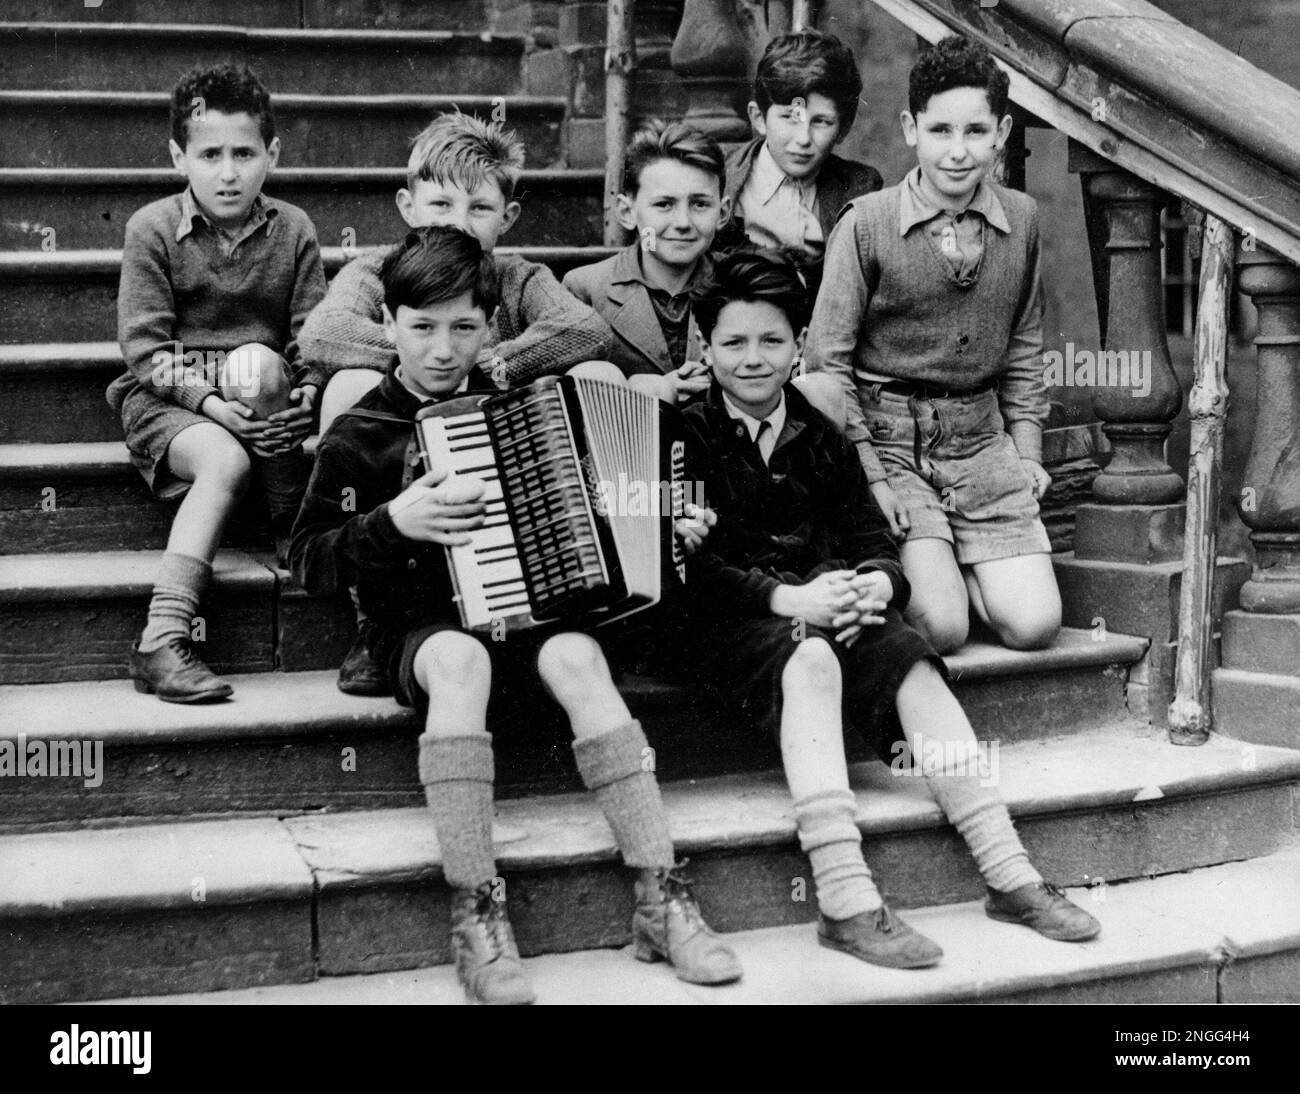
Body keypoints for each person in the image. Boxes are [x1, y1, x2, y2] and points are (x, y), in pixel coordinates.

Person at [290, 225, 741, 1004]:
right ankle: (476, 911)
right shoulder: (359, 432)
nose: (441, 348)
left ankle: (661, 894)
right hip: (424, 631)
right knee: (460, 660)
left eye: (464, 327)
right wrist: (391, 524)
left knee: (579, 657)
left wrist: (670, 523)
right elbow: (309, 559)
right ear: (389, 323)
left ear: (492, 328)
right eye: (422, 327)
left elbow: (605, 505)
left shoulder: (528, 410)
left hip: (529, 621)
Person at [675, 248, 1099, 969]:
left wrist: (877, 582)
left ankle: (1008, 872)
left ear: (800, 343)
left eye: (772, 341)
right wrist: (785, 597)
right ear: (706, 347)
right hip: (735, 622)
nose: (753, 360)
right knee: (810, 656)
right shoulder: (684, 434)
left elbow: (873, 536)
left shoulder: (819, 425)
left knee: (909, 658)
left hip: (826, 599)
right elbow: (696, 569)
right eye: (733, 343)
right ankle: (844, 899)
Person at [297, 110, 616, 695]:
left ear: (508, 216)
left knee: (598, 374)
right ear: (407, 207)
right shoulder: (382, 270)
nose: (461, 225)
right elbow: (323, 335)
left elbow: (586, 331)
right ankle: (369, 621)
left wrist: (494, 361)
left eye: (480, 209)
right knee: (347, 387)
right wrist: (415, 350)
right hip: (396, 435)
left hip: (495, 428)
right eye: (442, 206)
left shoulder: (517, 277)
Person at [806, 35, 1061, 656]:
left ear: (1002, 132)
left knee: (1034, 627)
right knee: (940, 630)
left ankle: (973, 564)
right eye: (940, 130)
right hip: (890, 445)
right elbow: (826, 365)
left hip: (981, 445)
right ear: (910, 128)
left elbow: (1025, 346)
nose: (957, 151)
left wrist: (1026, 452)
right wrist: (873, 477)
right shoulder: (867, 222)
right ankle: (943, 566)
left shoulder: (1022, 219)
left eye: (975, 131)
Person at [108, 63, 325, 703]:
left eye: (244, 153)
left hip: (265, 393)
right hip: (171, 401)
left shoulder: (295, 229)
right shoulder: (151, 229)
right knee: (224, 456)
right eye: (209, 155)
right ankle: (162, 636)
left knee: (261, 365)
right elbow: (145, 347)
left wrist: (310, 390)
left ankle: (292, 523)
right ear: (180, 156)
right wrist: (206, 402)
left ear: (271, 153)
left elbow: (312, 334)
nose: (227, 172)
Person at [563, 120, 728, 406]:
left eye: (700, 204)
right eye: (664, 204)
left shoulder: (741, 281)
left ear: (722, 212)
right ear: (627, 212)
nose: (683, 223)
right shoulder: (586, 289)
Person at [719, 29, 883, 300]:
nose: (804, 139)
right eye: (790, 117)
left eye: (821, 121)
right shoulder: (721, 176)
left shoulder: (860, 188)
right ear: (758, 118)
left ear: (843, 128)